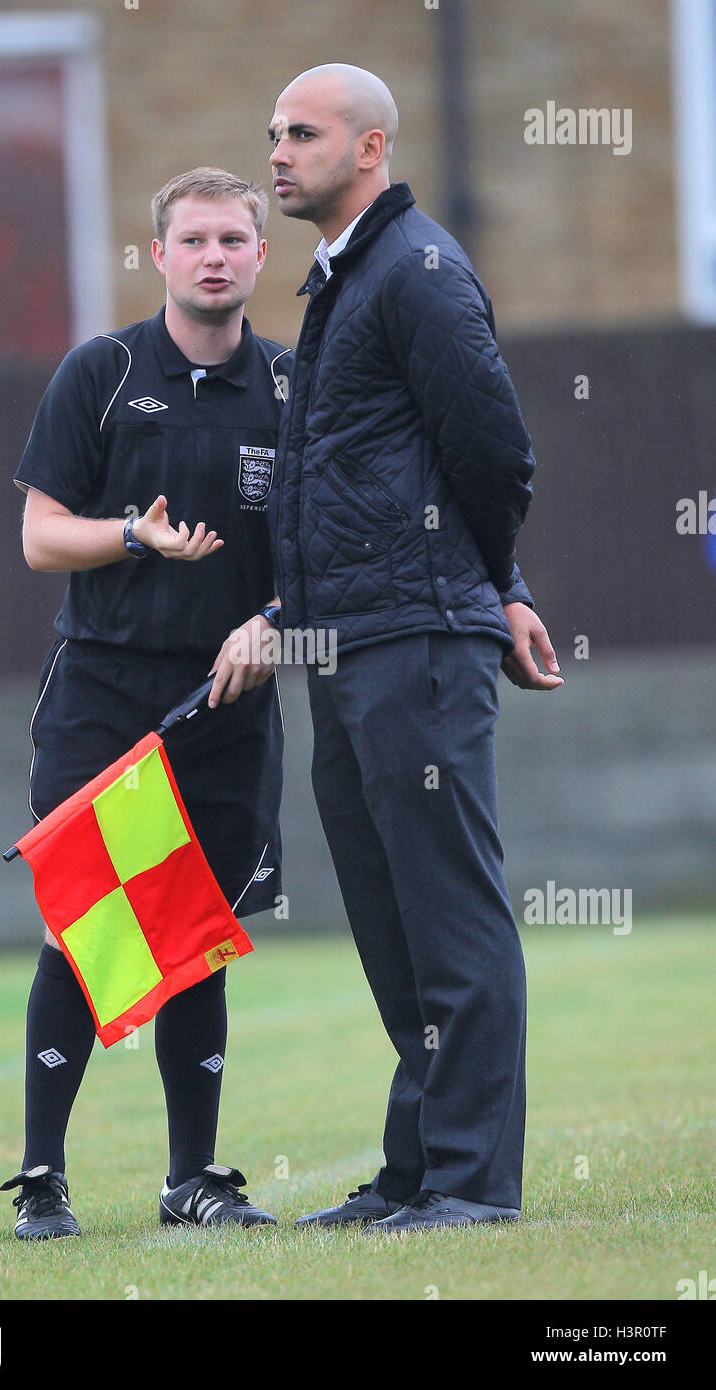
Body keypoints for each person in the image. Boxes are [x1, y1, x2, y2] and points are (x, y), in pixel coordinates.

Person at [266, 65, 564, 1232]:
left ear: (371, 146)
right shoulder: (343, 274)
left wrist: (489, 594)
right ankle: (413, 1168)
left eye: (304, 132)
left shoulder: (420, 269)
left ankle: (470, 1184)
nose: (279, 151)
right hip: (344, 649)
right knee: (391, 925)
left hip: (416, 643)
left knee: (450, 915)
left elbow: (493, 454)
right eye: (273, 133)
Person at [0, 168, 289, 1238]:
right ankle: (40, 1179)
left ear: (260, 256)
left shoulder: (293, 387)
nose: (214, 255)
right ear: (158, 254)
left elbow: (322, 551)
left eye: (232, 238)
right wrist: (132, 532)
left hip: (228, 697)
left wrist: (273, 617)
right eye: (193, 239)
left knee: (193, 933)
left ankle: (192, 1181)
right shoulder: (104, 371)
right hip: (104, 690)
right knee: (89, 927)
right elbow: (39, 537)